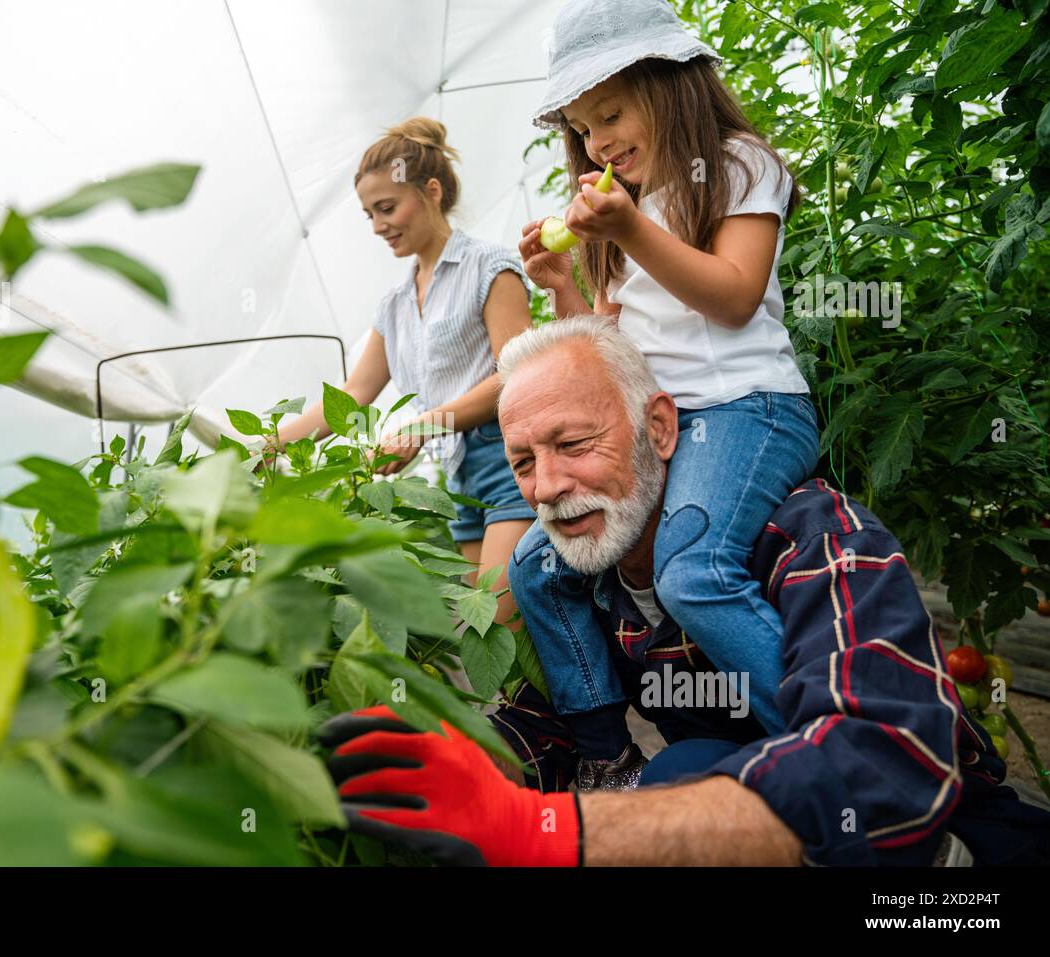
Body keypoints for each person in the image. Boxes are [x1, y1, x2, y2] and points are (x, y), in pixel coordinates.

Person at [318, 318, 1050, 866]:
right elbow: (546, 728)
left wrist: (545, 831)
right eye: (522, 462)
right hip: (760, 822)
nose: (545, 488)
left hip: (958, 840)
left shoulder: (812, 538)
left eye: (573, 445)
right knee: (671, 774)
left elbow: (886, 763)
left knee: (669, 778)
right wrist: (441, 758)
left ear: (661, 428)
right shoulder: (581, 582)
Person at [509, 0, 816, 778]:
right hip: (659, 424)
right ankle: (605, 754)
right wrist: (559, 285)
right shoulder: (627, 211)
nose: (597, 140)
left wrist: (629, 233)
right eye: (582, 128)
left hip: (749, 409)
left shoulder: (741, 165)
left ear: (671, 85)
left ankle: (830, 744)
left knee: (693, 572)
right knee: (535, 569)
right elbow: (611, 352)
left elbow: (735, 295)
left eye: (610, 113)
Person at [274, 118, 535, 624]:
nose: (377, 225)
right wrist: (268, 445)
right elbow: (353, 393)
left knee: (501, 612)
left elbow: (515, 372)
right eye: (369, 214)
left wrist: (422, 425)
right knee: (484, 627)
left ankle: (585, 701)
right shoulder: (394, 304)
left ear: (431, 191)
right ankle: (524, 706)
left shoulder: (490, 267)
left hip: (509, 456)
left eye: (387, 207)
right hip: (457, 473)